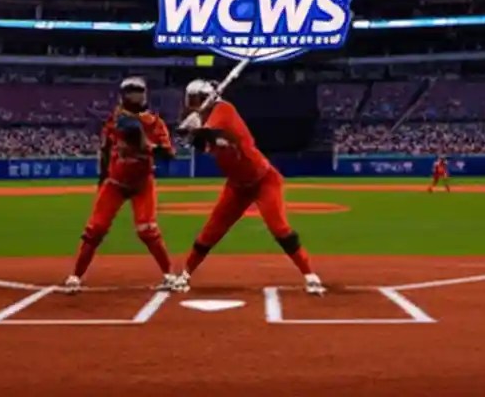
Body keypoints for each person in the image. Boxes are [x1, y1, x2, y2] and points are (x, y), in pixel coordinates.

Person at [171, 79, 325, 295]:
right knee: (211, 231)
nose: (193, 104)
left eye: (197, 100)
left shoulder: (224, 109)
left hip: (264, 181)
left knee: (280, 229)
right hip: (237, 186)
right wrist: (191, 131)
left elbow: (213, 133)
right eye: (191, 101)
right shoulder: (202, 118)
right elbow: (203, 143)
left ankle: (310, 275)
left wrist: (195, 129)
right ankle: (185, 274)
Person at [63, 77, 179, 294]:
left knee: (148, 229)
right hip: (115, 183)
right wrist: (101, 179)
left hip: (142, 183)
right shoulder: (116, 120)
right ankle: (75, 276)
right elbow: (107, 150)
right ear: (123, 95)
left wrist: (150, 147)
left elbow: (169, 155)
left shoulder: (155, 123)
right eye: (130, 91)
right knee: (95, 229)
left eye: (139, 91)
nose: (135, 95)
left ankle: (170, 275)